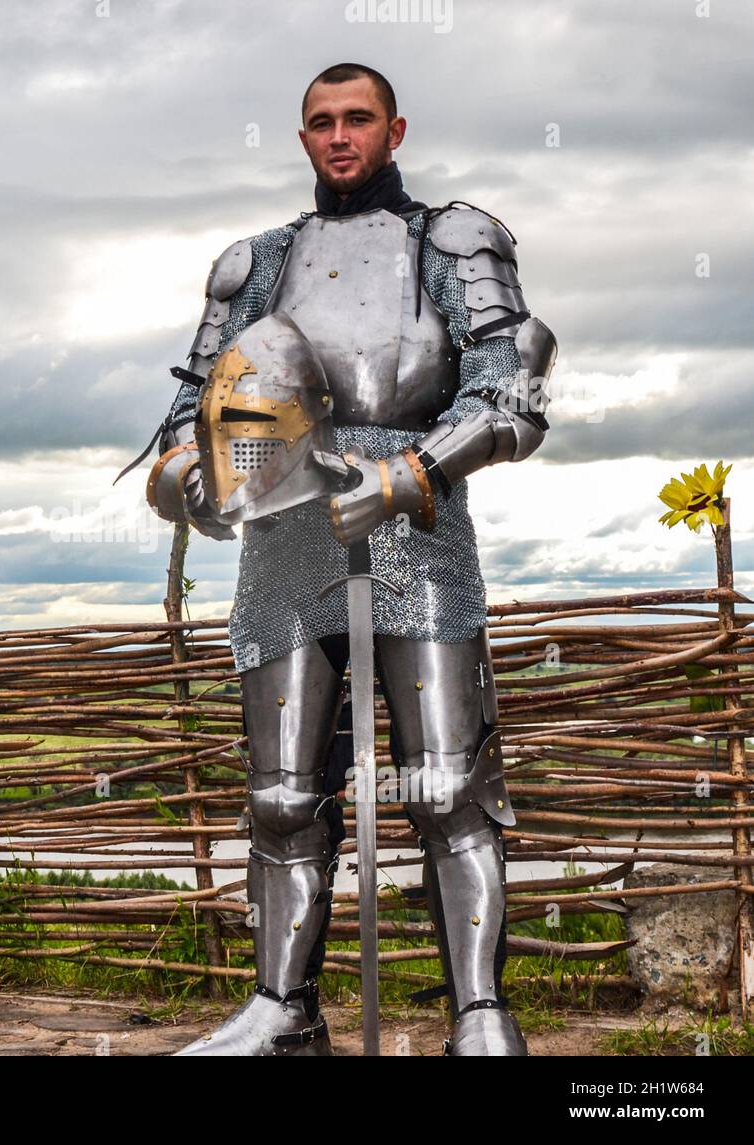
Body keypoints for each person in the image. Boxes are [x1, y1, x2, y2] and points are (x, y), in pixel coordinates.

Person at [140, 62, 557, 1056]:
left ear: (393, 129)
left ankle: (479, 1018)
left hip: (416, 532)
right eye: (321, 122)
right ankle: (284, 1009)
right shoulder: (255, 264)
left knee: (448, 787)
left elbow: (508, 389)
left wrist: (414, 471)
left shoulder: (452, 240)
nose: (339, 136)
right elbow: (187, 416)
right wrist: (193, 478)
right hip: (285, 535)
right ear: (301, 138)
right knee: (282, 794)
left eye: (356, 119)